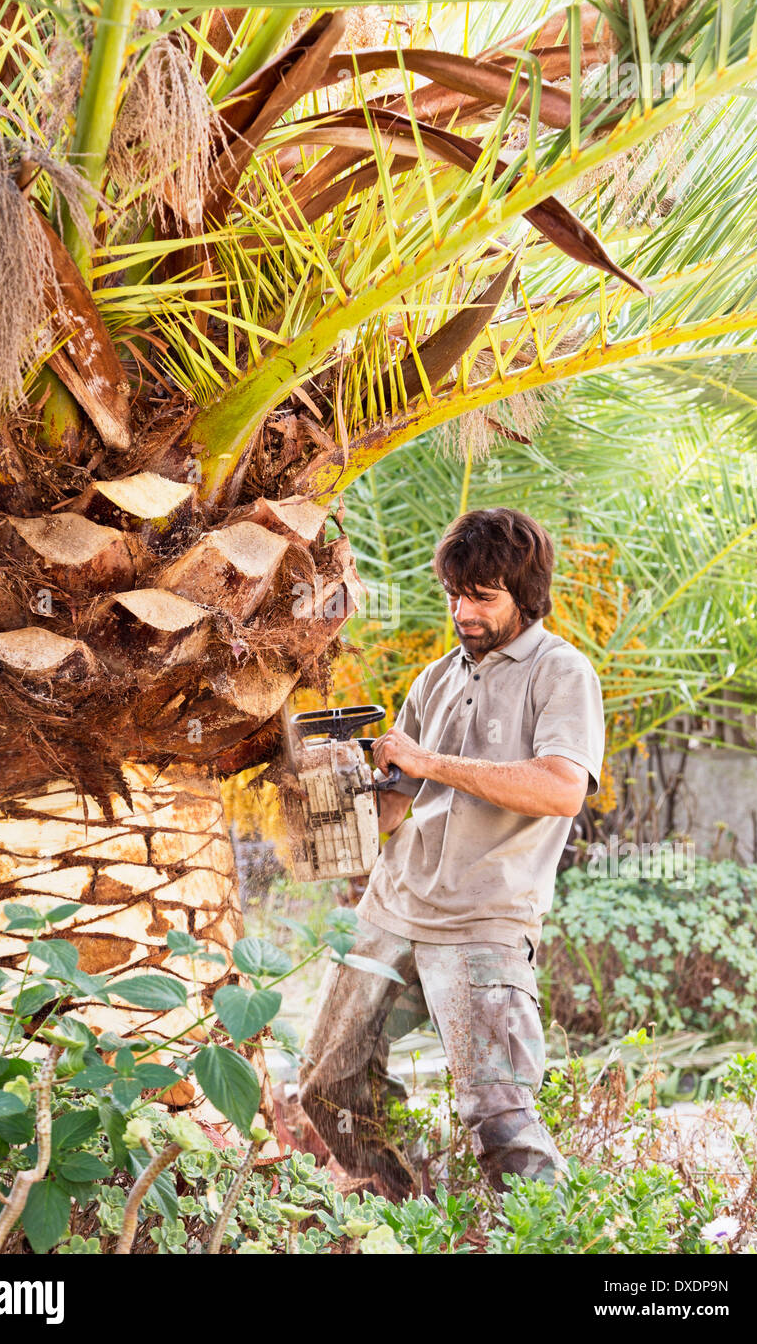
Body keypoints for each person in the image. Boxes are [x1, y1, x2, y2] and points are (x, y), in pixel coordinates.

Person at [297, 507, 605, 1199]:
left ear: (527, 596)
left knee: (500, 1120)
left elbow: (560, 790)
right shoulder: (437, 676)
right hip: (391, 909)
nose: (464, 612)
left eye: (483, 597)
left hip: (484, 920)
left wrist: (429, 759)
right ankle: (413, 1217)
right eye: (455, 596)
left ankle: (548, 1244)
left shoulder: (561, 674)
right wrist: (335, 782)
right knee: (329, 1082)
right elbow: (396, 802)